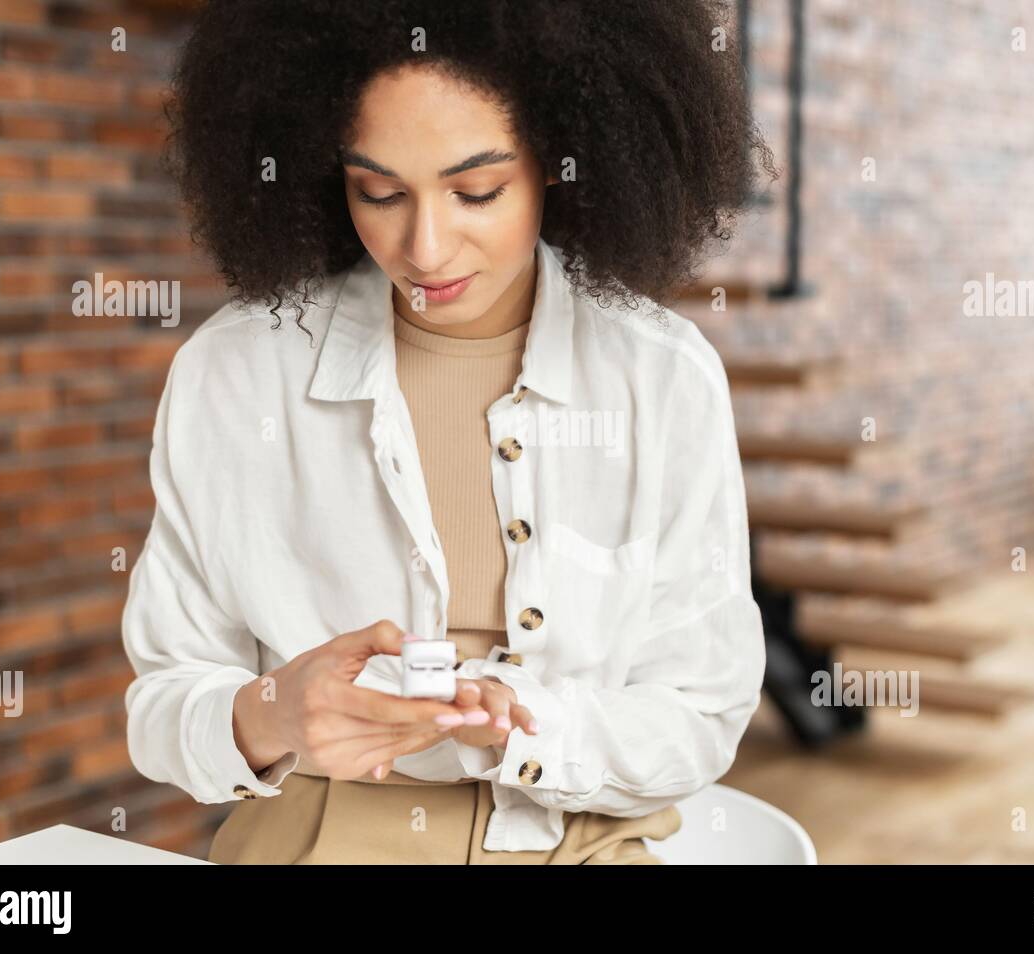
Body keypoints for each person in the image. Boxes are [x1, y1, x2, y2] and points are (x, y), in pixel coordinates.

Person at [121, 0, 778, 864]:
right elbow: (163, 702)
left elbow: (701, 713)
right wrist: (274, 712)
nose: (424, 248)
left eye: (478, 191)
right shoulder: (236, 376)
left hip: (585, 843)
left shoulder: (663, 380)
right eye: (379, 192)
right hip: (322, 840)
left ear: (564, 161)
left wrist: (522, 727)